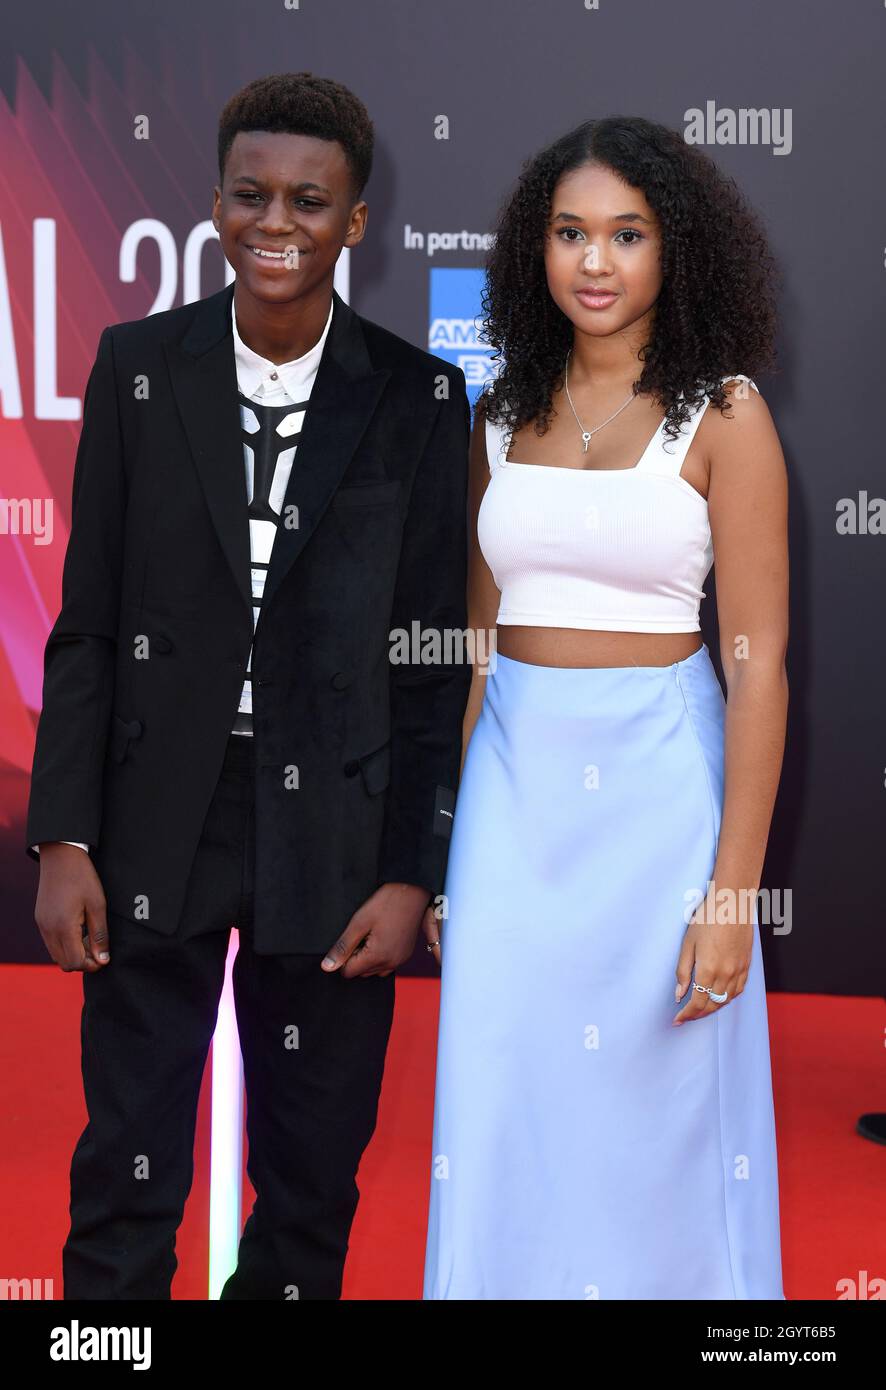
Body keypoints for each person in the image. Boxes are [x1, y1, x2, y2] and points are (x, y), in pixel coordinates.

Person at [27, 71, 471, 1300]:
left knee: (310, 1185)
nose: (277, 223)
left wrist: (410, 871)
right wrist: (63, 832)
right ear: (214, 202)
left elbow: (432, 664)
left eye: (310, 201)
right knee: (122, 1174)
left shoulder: (424, 401)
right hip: (153, 818)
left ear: (357, 221)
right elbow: (88, 623)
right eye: (252, 194)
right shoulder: (133, 368)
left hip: (332, 838)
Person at [422, 115, 788, 1300]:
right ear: (535, 251)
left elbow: (759, 669)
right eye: (570, 232)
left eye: (625, 234)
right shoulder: (496, 412)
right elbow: (473, 658)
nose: (594, 261)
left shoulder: (724, 413)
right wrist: (439, 853)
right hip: (512, 805)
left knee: (664, 1110)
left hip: (659, 793)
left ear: (672, 250)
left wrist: (732, 889)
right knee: (500, 1094)